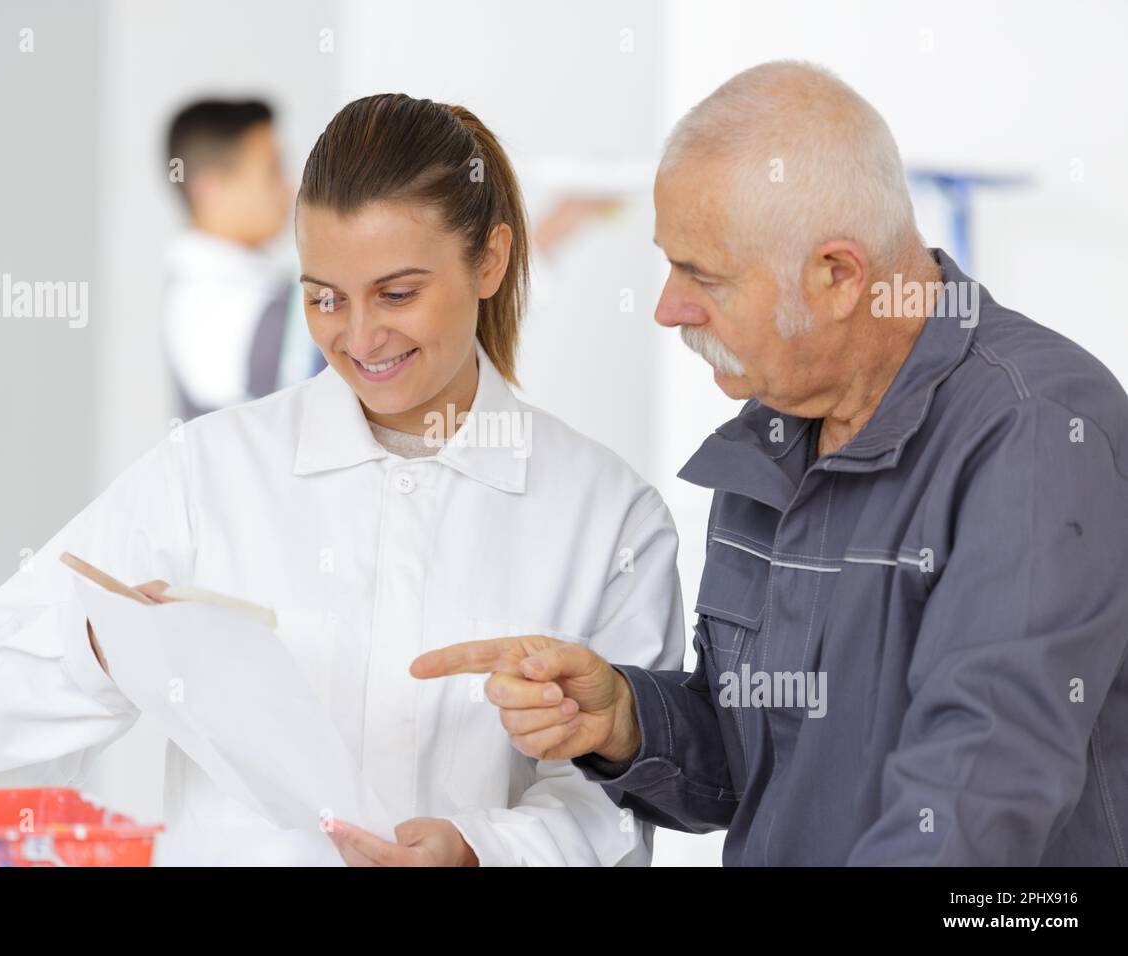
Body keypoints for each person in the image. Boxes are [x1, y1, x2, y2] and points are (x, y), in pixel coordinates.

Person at [414, 61, 1128, 865]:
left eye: (702, 275)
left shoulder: (1035, 433)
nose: (667, 307)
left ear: (837, 275)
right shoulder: (775, 434)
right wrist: (624, 719)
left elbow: (973, 803)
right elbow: (756, 759)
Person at [0, 93, 684, 866]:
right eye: (324, 297)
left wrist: (479, 850)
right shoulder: (209, 471)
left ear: (490, 261)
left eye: (397, 293)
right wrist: (105, 642)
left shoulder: (608, 517)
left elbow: (619, 808)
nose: (359, 337)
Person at [164, 98, 324, 420]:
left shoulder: (218, 290)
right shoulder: (216, 309)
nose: (289, 187)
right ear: (210, 189)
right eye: (272, 169)